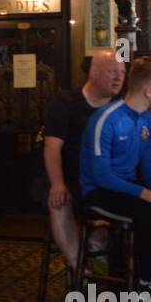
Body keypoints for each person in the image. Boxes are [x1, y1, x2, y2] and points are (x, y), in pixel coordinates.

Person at [79, 56, 151, 291]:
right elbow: (101, 176)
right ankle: (146, 283)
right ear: (148, 91)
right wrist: (145, 193)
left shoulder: (148, 121)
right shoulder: (106, 119)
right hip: (98, 192)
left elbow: (149, 167)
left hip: (128, 187)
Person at [43, 48, 125, 273]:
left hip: (106, 180)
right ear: (94, 73)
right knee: (59, 201)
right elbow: (52, 147)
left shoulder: (120, 106)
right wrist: (58, 183)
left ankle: (108, 258)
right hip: (69, 177)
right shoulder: (66, 103)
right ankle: (83, 272)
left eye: (122, 72)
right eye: (112, 71)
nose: (119, 77)